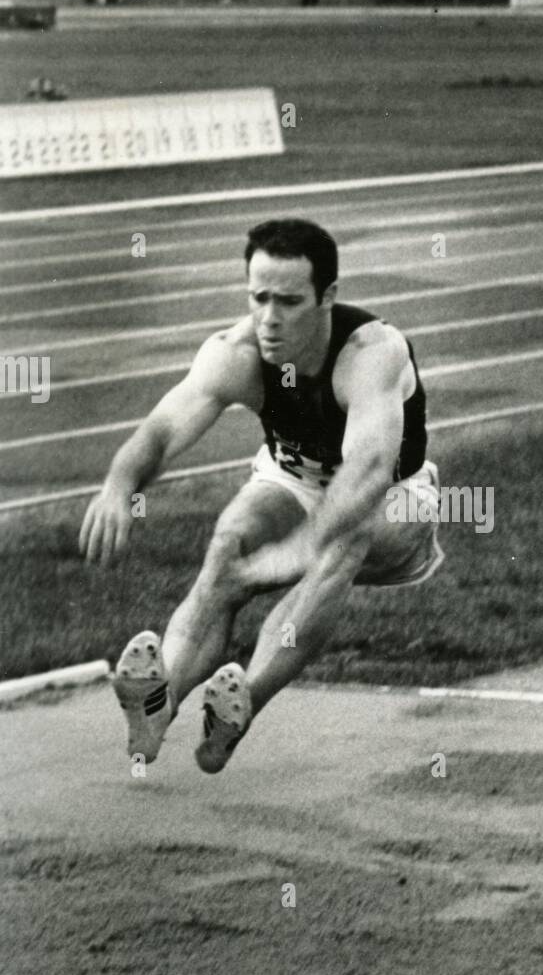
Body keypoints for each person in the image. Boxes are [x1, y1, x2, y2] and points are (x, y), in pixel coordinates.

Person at [79, 218, 444, 774]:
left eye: (290, 302)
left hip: (394, 496)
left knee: (345, 538)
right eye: (259, 298)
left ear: (328, 297)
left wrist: (303, 544)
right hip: (293, 482)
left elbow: (368, 472)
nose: (270, 319)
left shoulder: (371, 353)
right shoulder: (235, 353)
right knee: (230, 541)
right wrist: (118, 485)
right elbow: (161, 431)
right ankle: (159, 702)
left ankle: (243, 700)